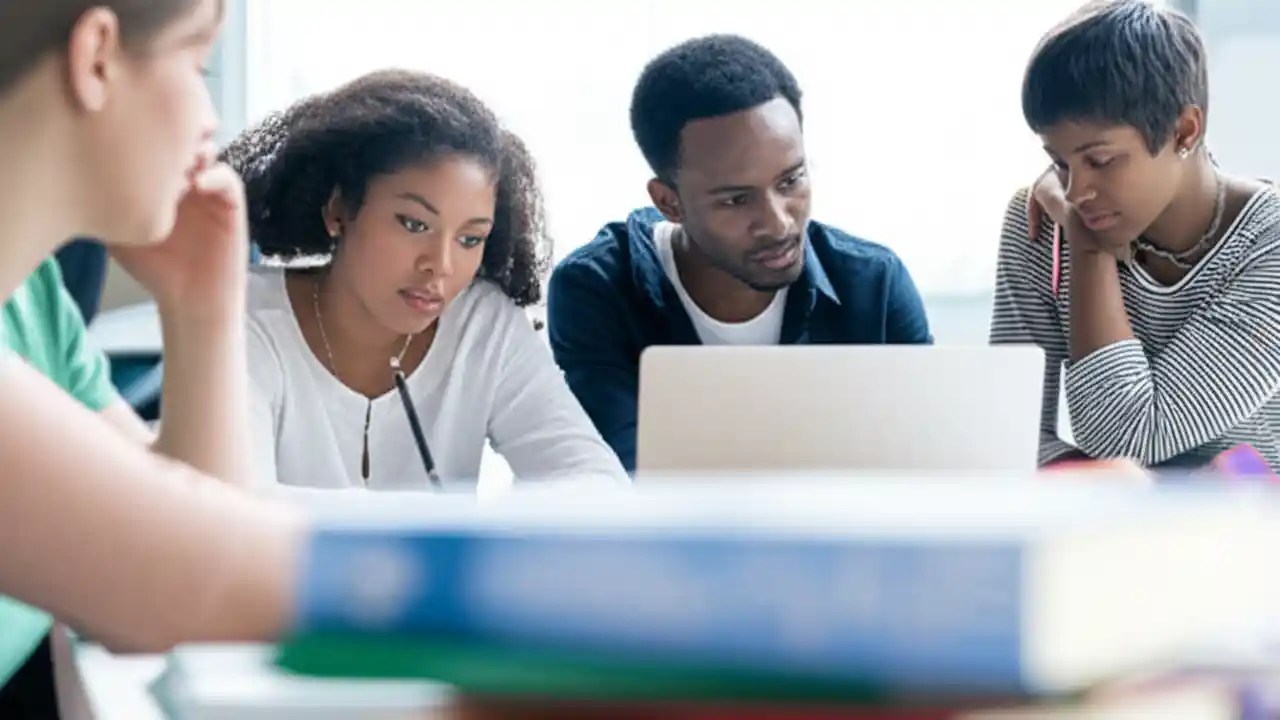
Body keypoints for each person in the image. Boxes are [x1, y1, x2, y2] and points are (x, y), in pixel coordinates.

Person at [0, 0, 303, 699]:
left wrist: (203, 308)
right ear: (97, 57)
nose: (211, 120)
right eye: (196, 63)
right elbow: (180, 581)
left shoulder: (31, 295)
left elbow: (170, 571)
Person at [222, 70, 626, 492]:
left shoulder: (482, 325)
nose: (442, 264)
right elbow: (231, 506)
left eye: (470, 238)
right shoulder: (241, 315)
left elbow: (597, 484)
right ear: (338, 209)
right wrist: (442, 528)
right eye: (414, 224)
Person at [547, 35, 933, 472]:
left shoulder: (875, 285)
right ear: (669, 202)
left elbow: (927, 468)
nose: (779, 223)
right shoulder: (597, 291)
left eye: (790, 181)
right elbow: (621, 483)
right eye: (736, 200)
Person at [989, 0, 1280, 470]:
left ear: (1185, 131)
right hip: (1097, 532)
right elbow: (1010, 437)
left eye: (1100, 161)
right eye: (1059, 162)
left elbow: (1127, 434)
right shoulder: (1042, 222)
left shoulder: (1268, 245)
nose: (1075, 190)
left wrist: (1087, 248)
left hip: (1252, 537)